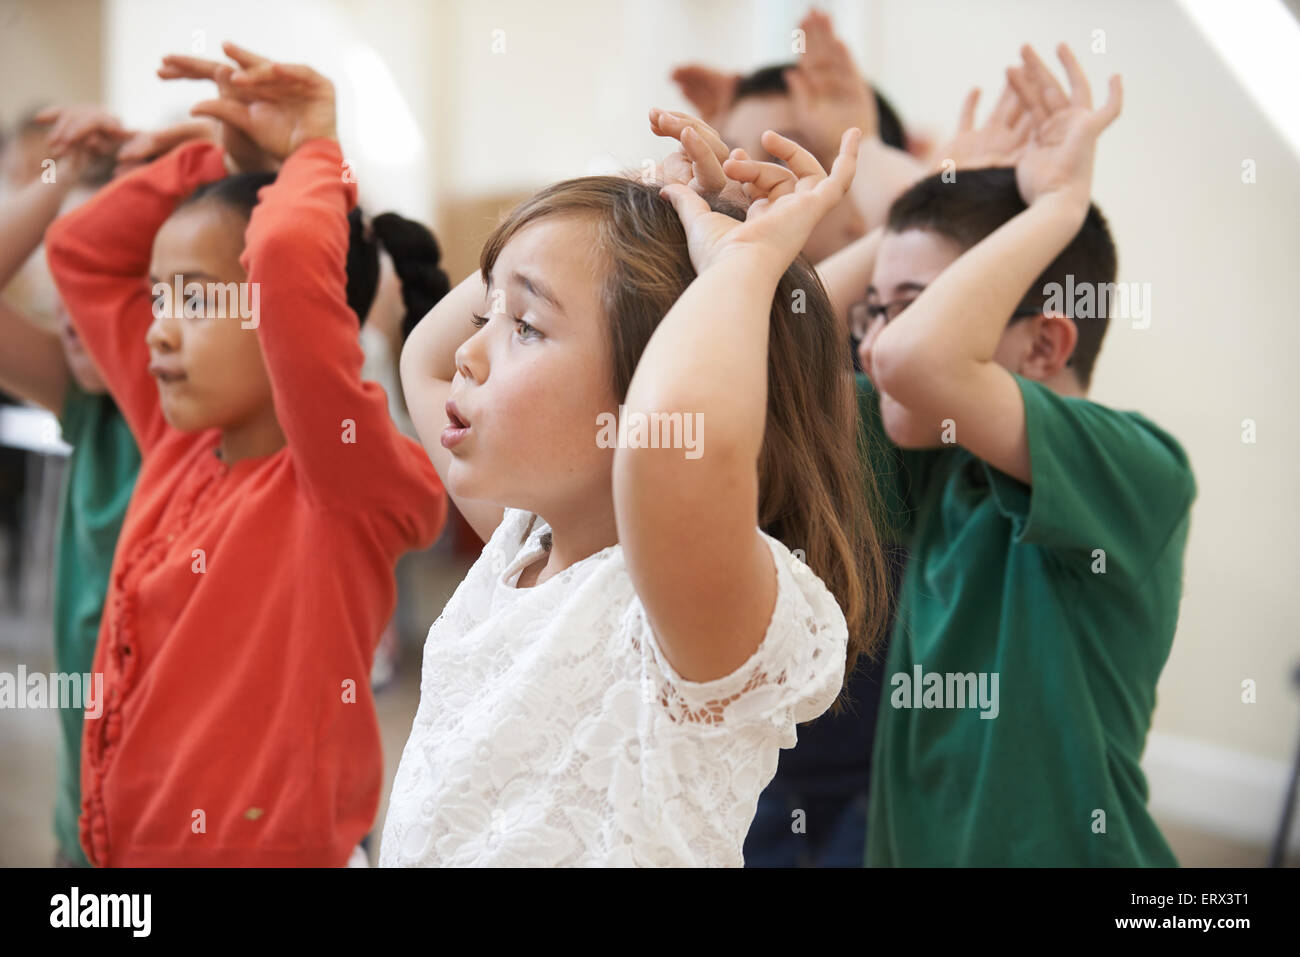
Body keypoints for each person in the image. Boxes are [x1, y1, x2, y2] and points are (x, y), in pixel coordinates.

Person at [382, 115, 891, 866]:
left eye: (523, 326)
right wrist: (638, 195)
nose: (469, 350)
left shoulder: (688, 608)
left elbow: (673, 449)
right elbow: (425, 359)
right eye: (486, 313)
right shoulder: (527, 539)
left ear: (637, 396)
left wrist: (740, 268)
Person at [42, 43, 448, 866]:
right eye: (159, 296)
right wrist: (214, 162)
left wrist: (309, 154)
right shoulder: (178, 440)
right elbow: (80, 253)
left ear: (287, 321)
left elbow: (289, 261)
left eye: (194, 295)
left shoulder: (343, 479)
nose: (158, 324)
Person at [822, 44, 1193, 866]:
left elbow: (913, 360)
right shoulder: (938, 466)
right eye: (872, 310)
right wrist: (932, 195)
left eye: (913, 308)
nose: (875, 342)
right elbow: (777, 345)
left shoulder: (1142, 469)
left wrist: (1057, 208)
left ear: (1045, 342)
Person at [0, 105, 136, 867]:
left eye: (107, 278)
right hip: (84, 828)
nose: (70, 306)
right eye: (64, 274)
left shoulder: (205, 424)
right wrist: (63, 177)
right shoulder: (91, 404)